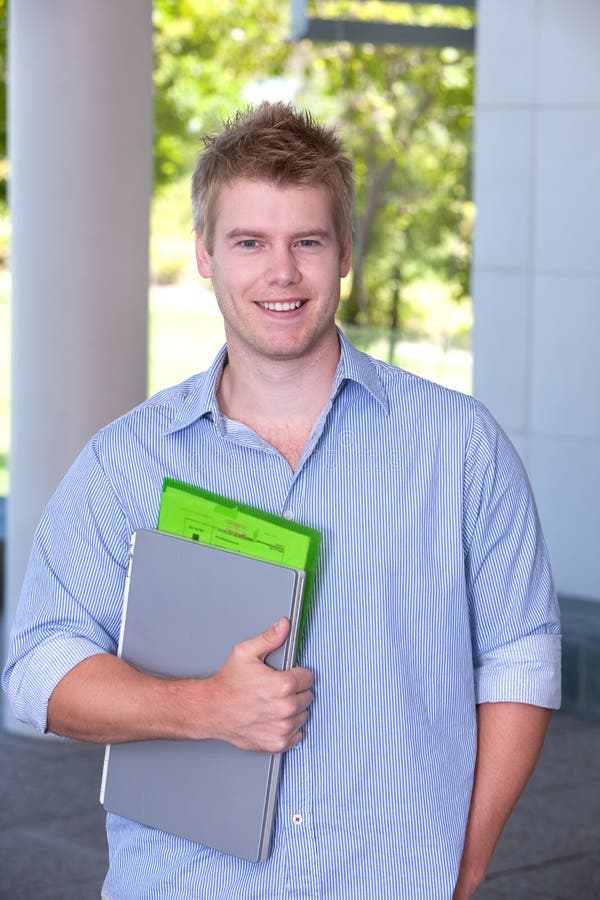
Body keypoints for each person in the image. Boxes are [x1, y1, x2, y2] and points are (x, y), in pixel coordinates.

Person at [2, 102, 560, 899]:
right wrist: (205, 709)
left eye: (307, 240)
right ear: (204, 254)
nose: (282, 273)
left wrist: (463, 870)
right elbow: (38, 673)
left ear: (344, 254)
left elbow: (520, 660)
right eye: (249, 243)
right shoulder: (125, 462)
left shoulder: (460, 445)